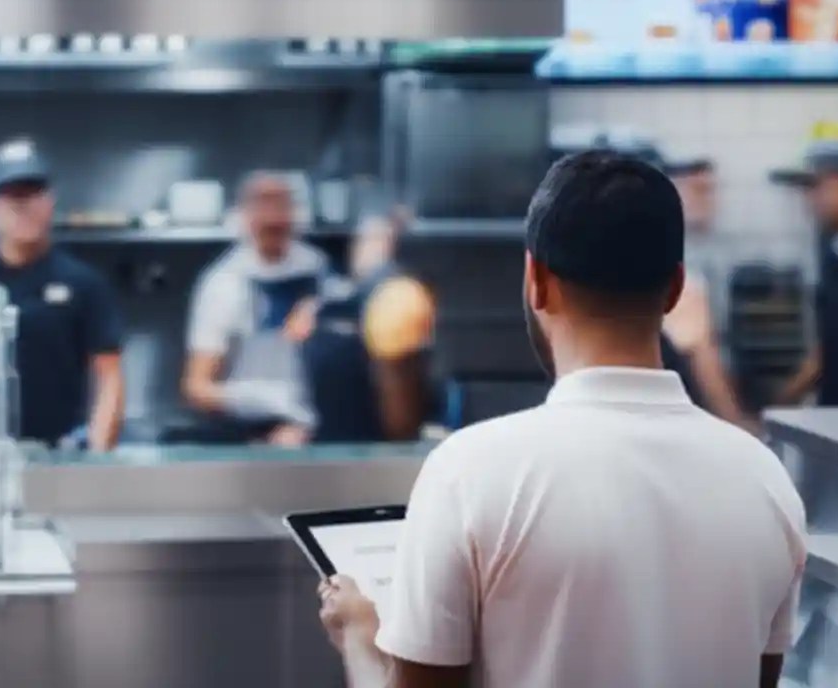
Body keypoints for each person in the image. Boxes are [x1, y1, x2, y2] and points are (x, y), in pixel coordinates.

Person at [318, 152, 805, 688]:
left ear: (536, 280)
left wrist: (360, 638)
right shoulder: (765, 478)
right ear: (674, 288)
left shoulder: (469, 472)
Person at [0, 138, 125, 451]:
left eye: (32, 193)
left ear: (50, 201)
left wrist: (97, 453)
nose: (23, 206)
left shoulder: (84, 284)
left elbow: (109, 377)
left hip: (61, 453)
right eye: (11, 196)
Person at [182, 172, 328, 447]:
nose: (273, 218)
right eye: (263, 205)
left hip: (320, 435)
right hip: (248, 438)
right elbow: (196, 387)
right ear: (244, 215)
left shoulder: (320, 271)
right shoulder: (224, 283)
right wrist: (264, 401)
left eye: (282, 205)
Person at [285, 212, 434, 442]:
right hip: (330, 435)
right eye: (367, 240)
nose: (371, 247)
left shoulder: (398, 295)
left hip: (385, 439)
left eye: (382, 240)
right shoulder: (326, 304)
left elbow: (401, 418)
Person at [661, 157, 756, 431]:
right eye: (697, 190)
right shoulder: (674, 258)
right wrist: (736, 422)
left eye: (711, 190)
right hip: (687, 399)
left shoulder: (709, 252)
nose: (708, 199)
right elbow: (700, 349)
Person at [776, 140, 838, 406]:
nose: (809, 199)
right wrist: (783, 402)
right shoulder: (829, 250)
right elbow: (830, 346)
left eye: (817, 186)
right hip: (835, 414)